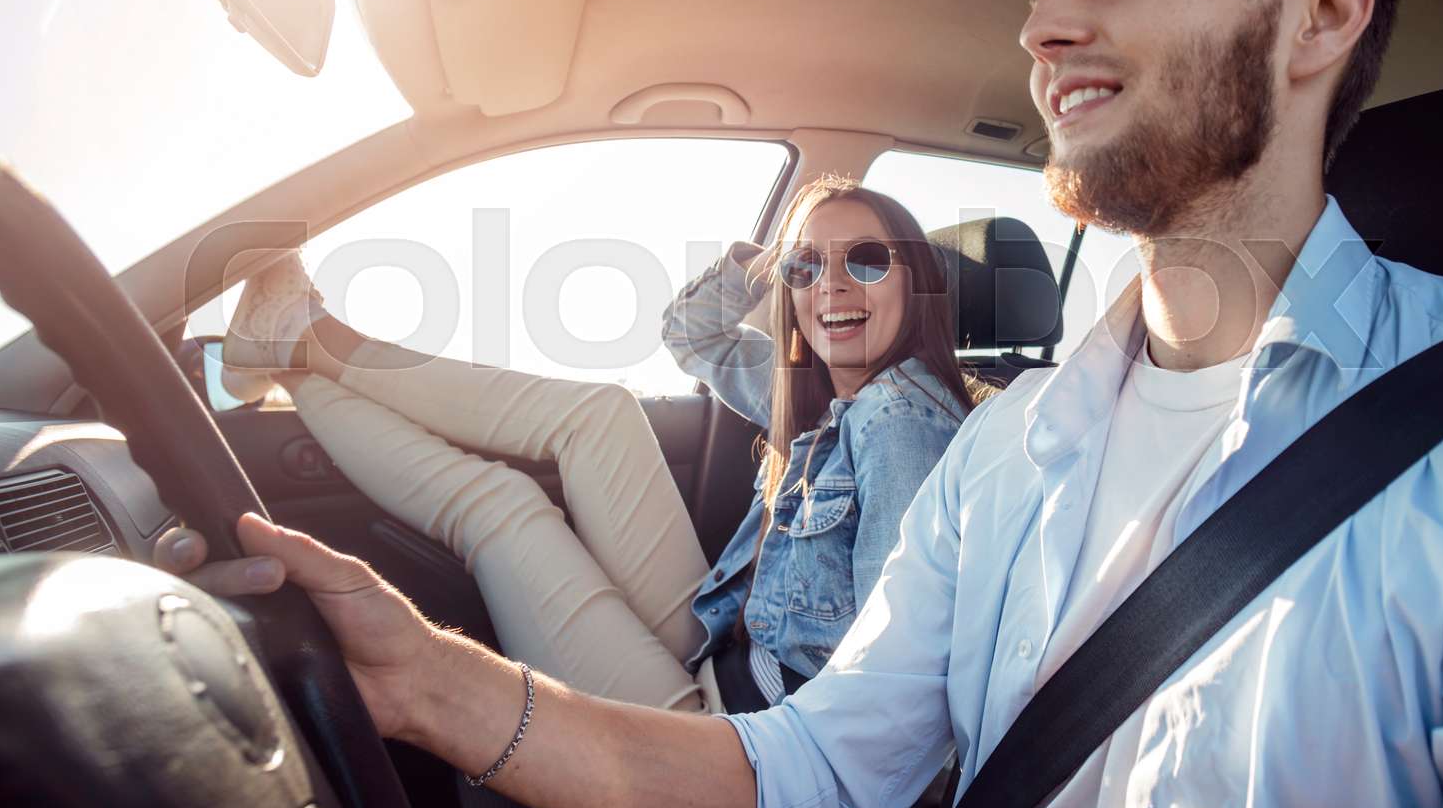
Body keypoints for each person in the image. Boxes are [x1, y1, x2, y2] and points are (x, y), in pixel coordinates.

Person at [162, 0, 1443, 808]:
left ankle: (317, 353)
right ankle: (310, 358)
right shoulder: (1017, 447)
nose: (1039, 31)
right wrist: (428, 684)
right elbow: (809, 773)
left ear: (1322, 14)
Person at [215, 174, 974, 714]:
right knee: (604, 413)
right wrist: (767, 257)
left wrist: (741, 771)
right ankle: (290, 344)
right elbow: (689, 330)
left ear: (920, 282)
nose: (831, 285)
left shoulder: (900, 424)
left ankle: (300, 344)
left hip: (746, 742)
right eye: (808, 267)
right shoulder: (822, 393)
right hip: (725, 639)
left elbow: (887, 693)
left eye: (867, 259)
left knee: (497, 509)